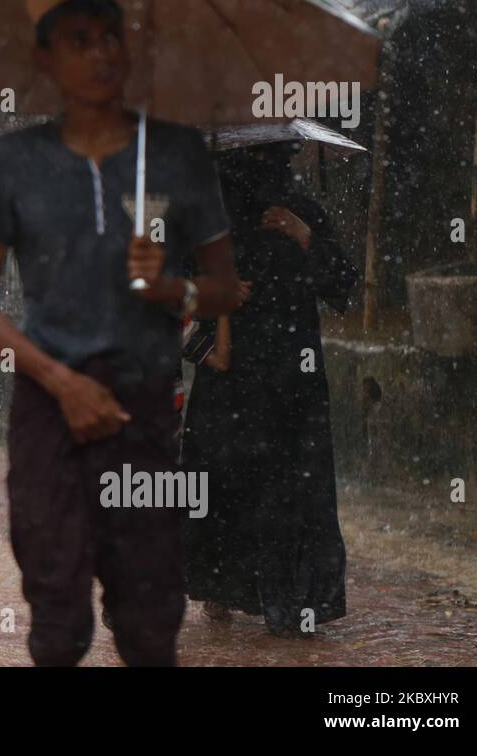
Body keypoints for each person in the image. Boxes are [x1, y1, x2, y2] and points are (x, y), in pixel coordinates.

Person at [0, 0, 242, 666]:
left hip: (143, 407)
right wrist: (62, 383)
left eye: (111, 37)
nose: (101, 53)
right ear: (45, 58)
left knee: (150, 614)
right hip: (47, 410)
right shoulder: (14, 159)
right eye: (79, 40)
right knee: (55, 611)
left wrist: (172, 288)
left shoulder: (175, 153)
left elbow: (228, 288)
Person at [181, 143, 357, 636]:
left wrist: (307, 239)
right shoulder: (204, 221)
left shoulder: (302, 213)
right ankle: (222, 585)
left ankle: (292, 602)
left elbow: (343, 285)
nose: (264, 169)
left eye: (273, 157)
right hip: (229, 376)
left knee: (291, 486)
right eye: (254, 159)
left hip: (292, 382)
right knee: (225, 480)